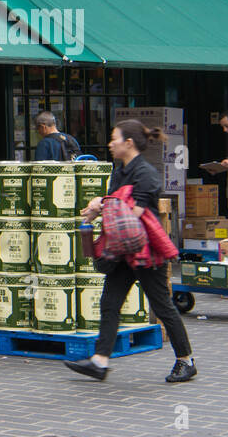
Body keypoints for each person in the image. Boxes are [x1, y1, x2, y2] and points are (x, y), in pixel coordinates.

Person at [67, 119, 195, 384]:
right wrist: (99, 206)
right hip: (122, 250)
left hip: (146, 251)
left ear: (128, 143)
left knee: (162, 306)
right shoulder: (119, 170)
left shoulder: (146, 174)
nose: (110, 143)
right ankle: (100, 361)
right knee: (109, 302)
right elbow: (115, 204)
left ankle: (186, 360)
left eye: (114, 138)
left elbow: (132, 213)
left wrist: (99, 204)